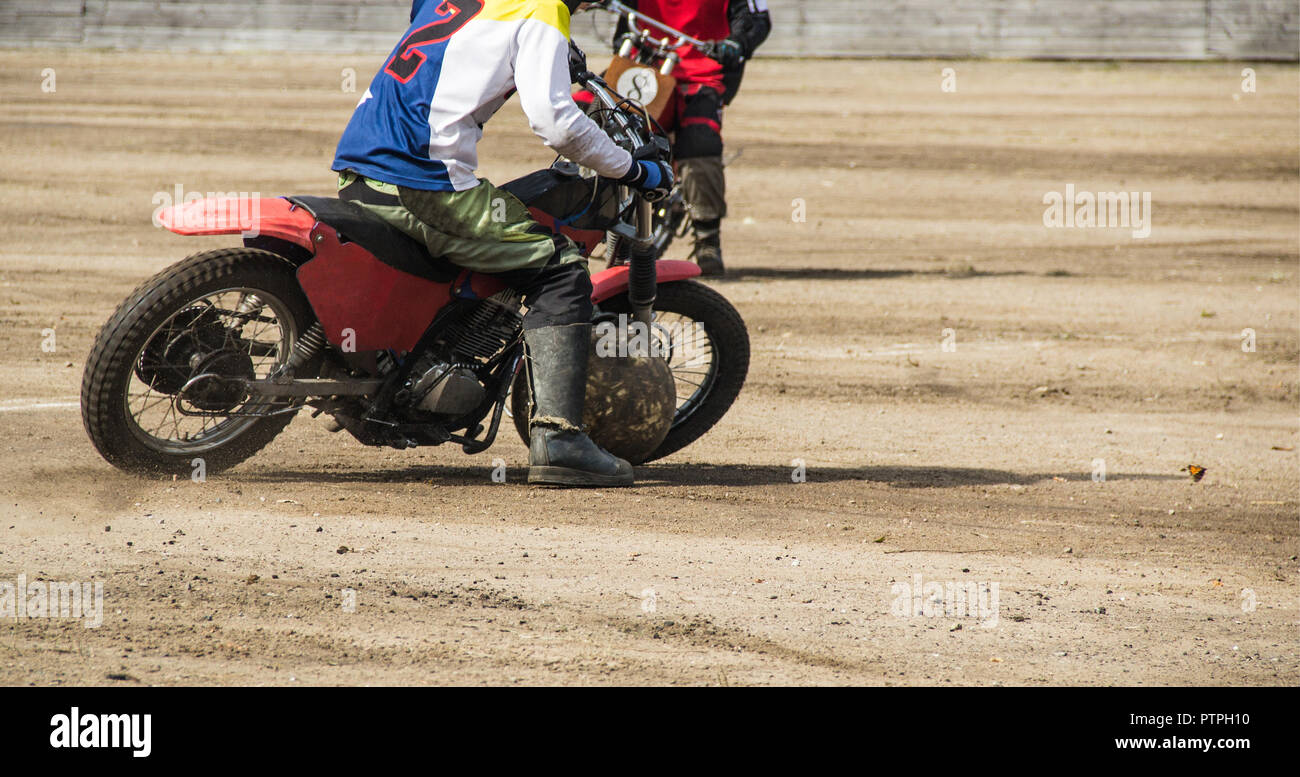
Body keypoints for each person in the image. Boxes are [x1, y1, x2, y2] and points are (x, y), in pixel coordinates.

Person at [331, 0, 672, 488]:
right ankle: (559, 441)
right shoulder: (543, 10)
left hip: (359, 166)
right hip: (421, 181)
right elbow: (556, 122)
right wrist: (634, 168)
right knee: (560, 266)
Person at [611, 0, 771, 275]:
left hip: (701, 73)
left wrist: (737, 43)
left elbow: (757, 19)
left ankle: (707, 237)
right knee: (598, 116)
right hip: (641, 65)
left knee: (700, 143)